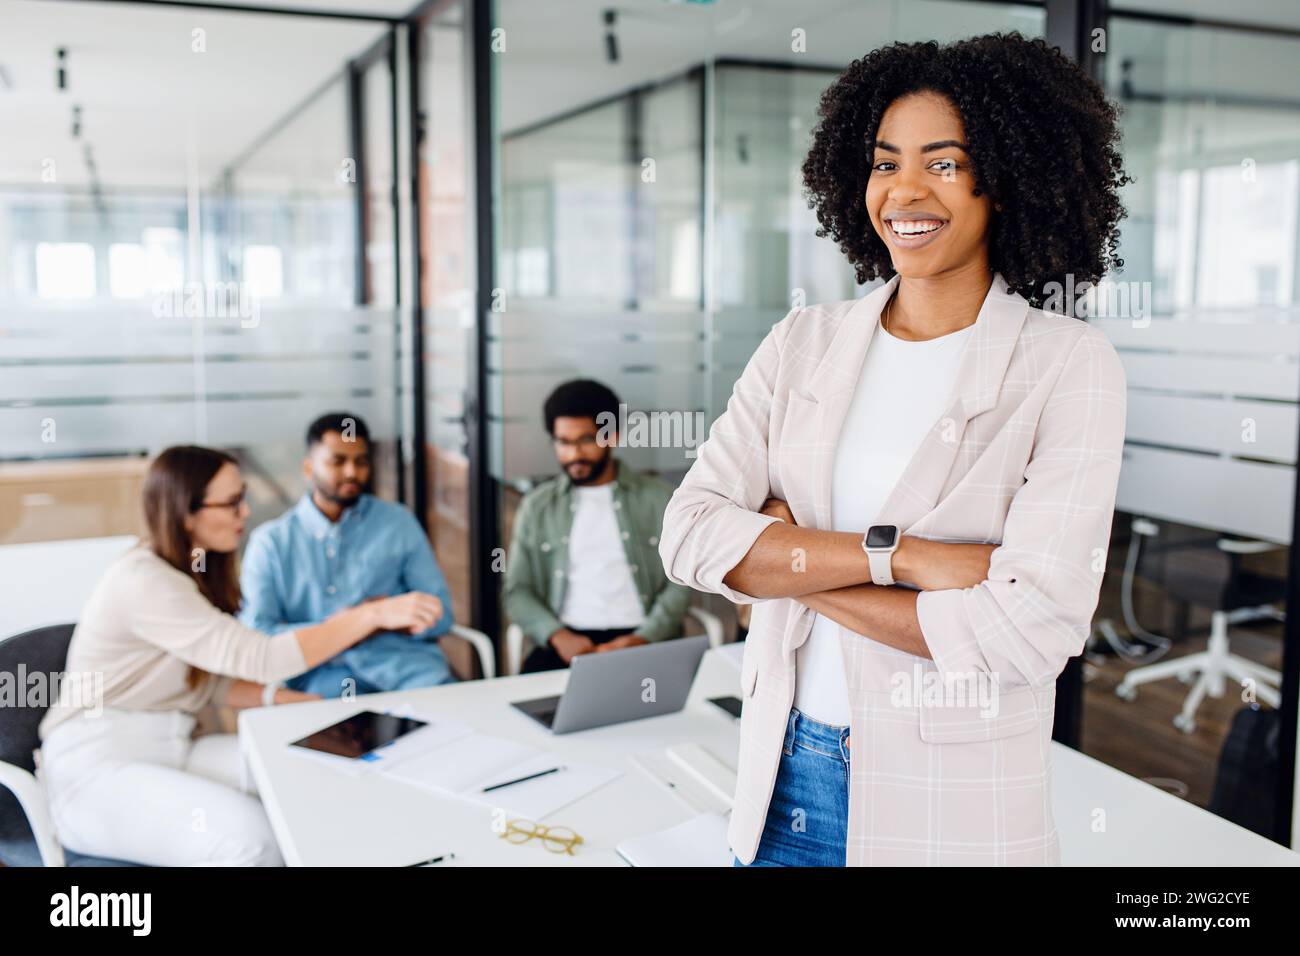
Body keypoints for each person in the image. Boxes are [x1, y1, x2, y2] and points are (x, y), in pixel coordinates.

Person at [658, 33, 1130, 867]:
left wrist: (784, 561)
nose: (904, 191)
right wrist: (905, 559)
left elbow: (1025, 632)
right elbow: (691, 536)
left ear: (1009, 180)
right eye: (885, 163)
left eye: (943, 163)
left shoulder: (1067, 364)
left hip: (953, 807)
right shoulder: (803, 341)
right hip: (781, 780)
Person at [36, 446, 442, 866]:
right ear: (185, 512)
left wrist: (293, 704)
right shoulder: (145, 581)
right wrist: (371, 614)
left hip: (174, 745)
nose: (246, 512)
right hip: (96, 767)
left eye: (242, 497)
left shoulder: (188, 576)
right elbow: (263, 658)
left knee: (319, 774)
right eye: (231, 503)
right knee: (253, 842)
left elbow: (206, 679)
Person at [240, 412, 457, 697]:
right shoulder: (270, 543)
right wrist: (364, 620)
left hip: (409, 674)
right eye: (338, 461)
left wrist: (398, 620)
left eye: (361, 461)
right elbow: (258, 638)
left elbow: (441, 614)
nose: (352, 472)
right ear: (308, 468)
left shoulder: (398, 523)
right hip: (321, 684)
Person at [505, 379, 691, 672]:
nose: (574, 455)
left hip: (644, 642)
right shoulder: (537, 507)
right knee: (529, 714)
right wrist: (557, 635)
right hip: (565, 643)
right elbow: (517, 591)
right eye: (563, 442)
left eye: (586, 440)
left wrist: (644, 637)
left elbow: (681, 582)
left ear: (612, 437)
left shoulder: (659, 499)